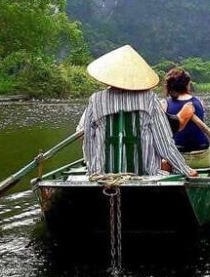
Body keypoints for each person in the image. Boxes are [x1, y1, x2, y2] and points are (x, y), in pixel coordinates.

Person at [77, 45, 197, 178]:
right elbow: (164, 145)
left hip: (103, 177)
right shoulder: (149, 99)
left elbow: (85, 138)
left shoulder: (96, 100)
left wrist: (92, 171)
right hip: (144, 176)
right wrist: (186, 170)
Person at [163, 67, 210, 169]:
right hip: (203, 158)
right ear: (187, 84)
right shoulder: (199, 102)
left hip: (178, 160)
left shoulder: (164, 104)